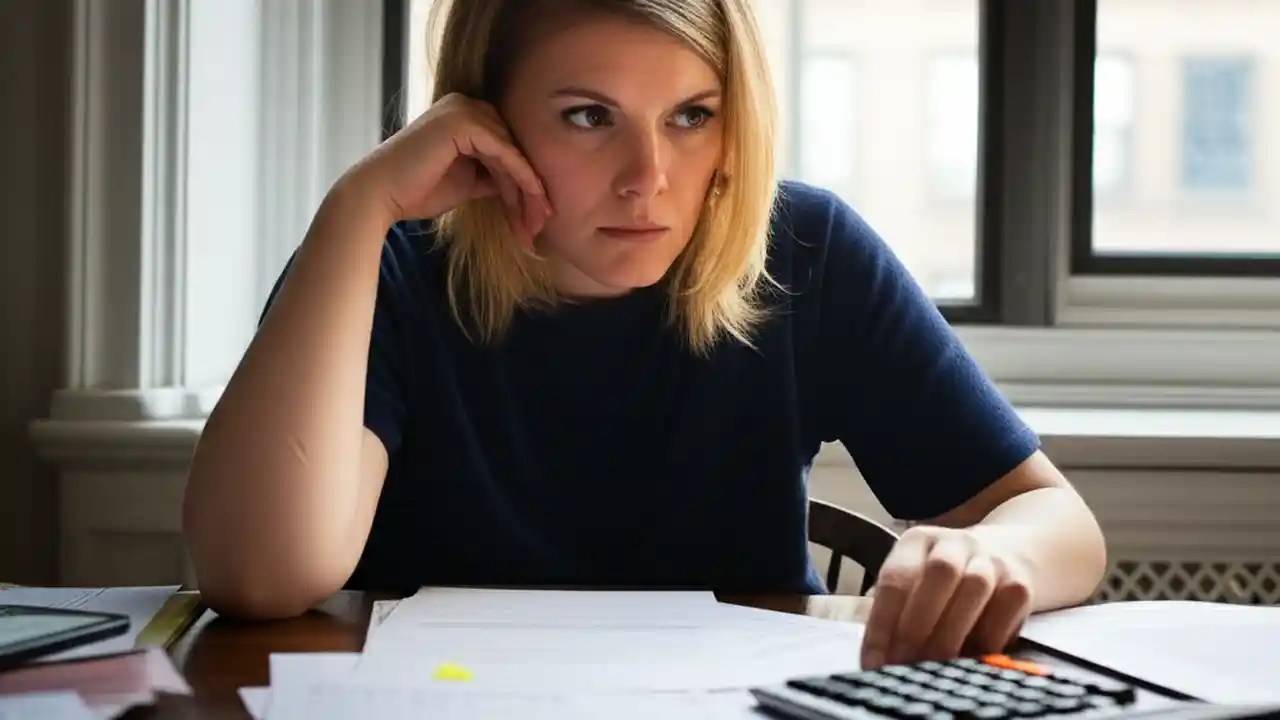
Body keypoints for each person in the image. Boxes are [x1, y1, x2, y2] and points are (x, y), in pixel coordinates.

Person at [182, 0, 1107, 670]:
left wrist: (997, 552)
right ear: (483, 121)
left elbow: (1063, 525)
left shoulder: (806, 250)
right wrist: (361, 204)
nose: (648, 178)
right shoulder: (393, 265)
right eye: (590, 117)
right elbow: (260, 578)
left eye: (691, 117)